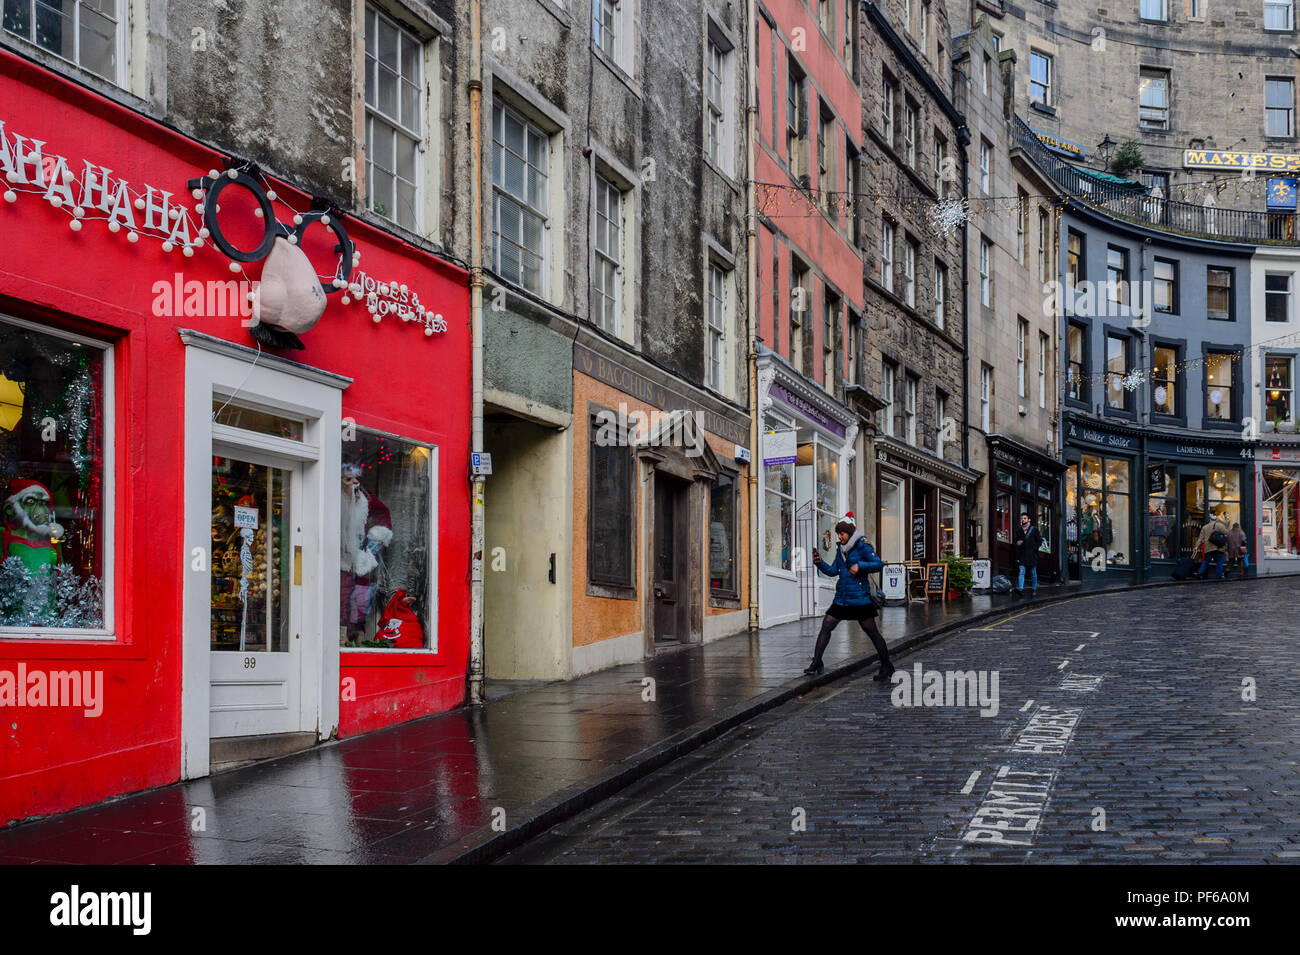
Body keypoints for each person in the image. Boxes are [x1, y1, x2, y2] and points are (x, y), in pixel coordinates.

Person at [805, 511, 894, 681]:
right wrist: (819, 563)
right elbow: (833, 571)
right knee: (827, 625)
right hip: (842, 597)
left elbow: (878, 564)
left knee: (872, 631)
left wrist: (859, 566)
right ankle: (816, 662)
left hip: (860, 598)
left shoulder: (862, 545)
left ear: (850, 532)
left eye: (842, 533)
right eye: (838, 533)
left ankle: (887, 665)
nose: (839, 536)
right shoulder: (840, 549)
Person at [1012, 511, 1042, 597]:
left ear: (1029, 520)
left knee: (1033, 573)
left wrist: (1034, 549)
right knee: (1021, 571)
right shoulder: (1018, 530)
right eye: (1022, 518)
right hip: (1022, 555)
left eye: (1024, 518)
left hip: (1032, 555)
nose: (1023, 520)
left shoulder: (1034, 530)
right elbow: (1015, 541)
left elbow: (1039, 541)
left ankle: (1034, 589)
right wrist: (1017, 543)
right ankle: (1020, 589)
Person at [1196, 509, 1231, 580]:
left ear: (1210, 520)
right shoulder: (1219, 525)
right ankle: (1219, 575)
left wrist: (1196, 546)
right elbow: (1227, 533)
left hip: (1208, 548)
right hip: (1218, 547)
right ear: (1216, 519)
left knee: (1206, 561)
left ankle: (1199, 572)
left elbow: (1200, 538)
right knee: (1219, 561)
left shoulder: (1204, 527)